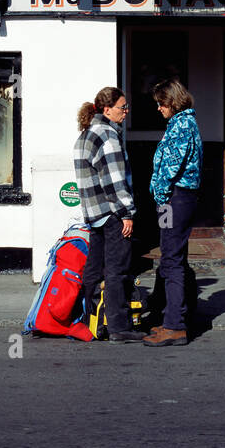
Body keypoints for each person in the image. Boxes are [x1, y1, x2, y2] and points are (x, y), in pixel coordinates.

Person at [73, 87, 144, 342]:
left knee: (93, 269)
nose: (126, 112)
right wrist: (127, 213)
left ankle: (91, 320)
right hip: (112, 213)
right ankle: (118, 328)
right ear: (107, 110)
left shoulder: (85, 134)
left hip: (93, 214)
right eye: (122, 107)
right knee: (117, 269)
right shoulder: (108, 136)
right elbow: (114, 181)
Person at [143, 79, 202, 346]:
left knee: (172, 259)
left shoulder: (182, 125)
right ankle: (179, 316)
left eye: (161, 103)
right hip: (175, 199)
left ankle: (175, 325)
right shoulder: (182, 123)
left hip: (175, 200)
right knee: (173, 255)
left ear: (173, 102)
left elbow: (170, 168)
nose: (159, 108)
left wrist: (160, 195)